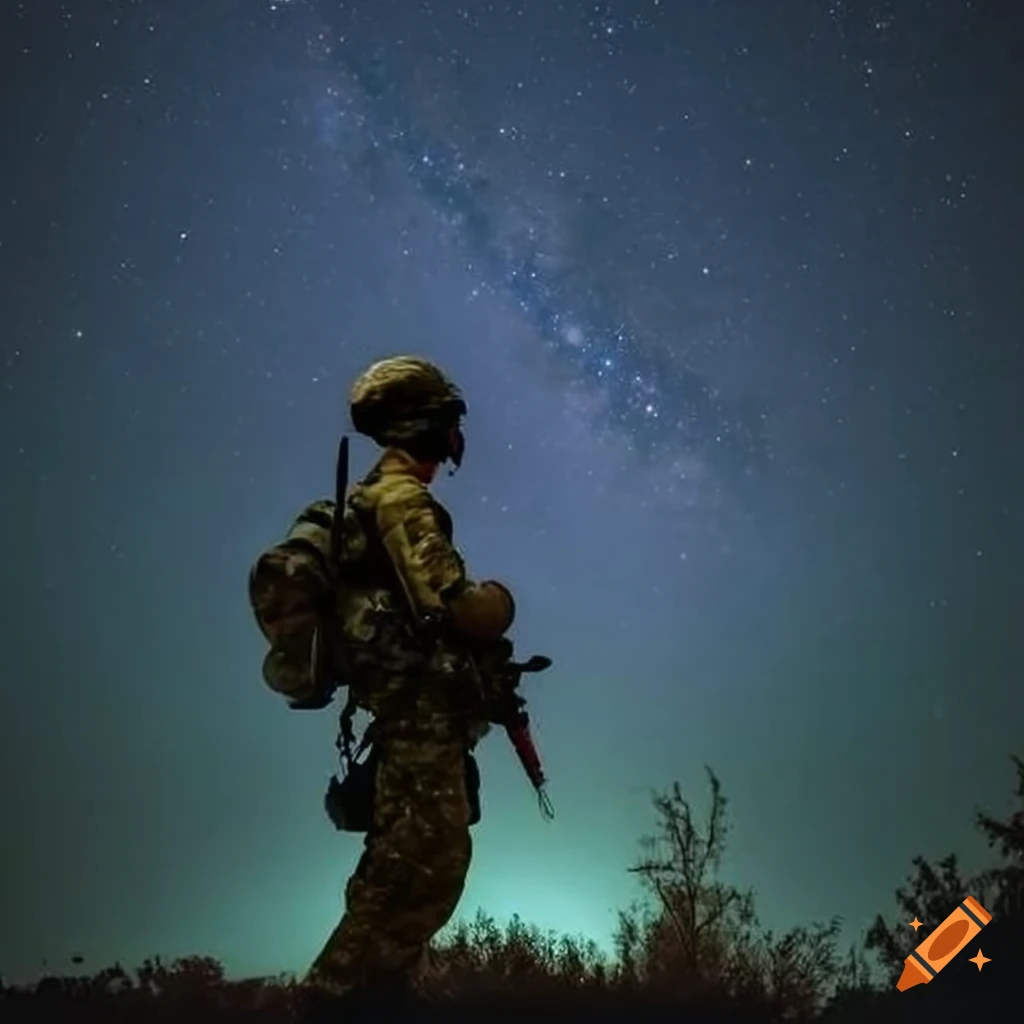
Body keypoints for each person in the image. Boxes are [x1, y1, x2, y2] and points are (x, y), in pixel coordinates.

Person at [290, 356, 516, 1013]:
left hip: (410, 705)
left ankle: (379, 989)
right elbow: (454, 606)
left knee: (413, 850)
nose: (456, 437)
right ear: (431, 426)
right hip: (414, 710)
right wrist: (500, 602)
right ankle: (340, 994)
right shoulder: (400, 499)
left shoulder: (376, 496)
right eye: (449, 421)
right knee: (424, 854)